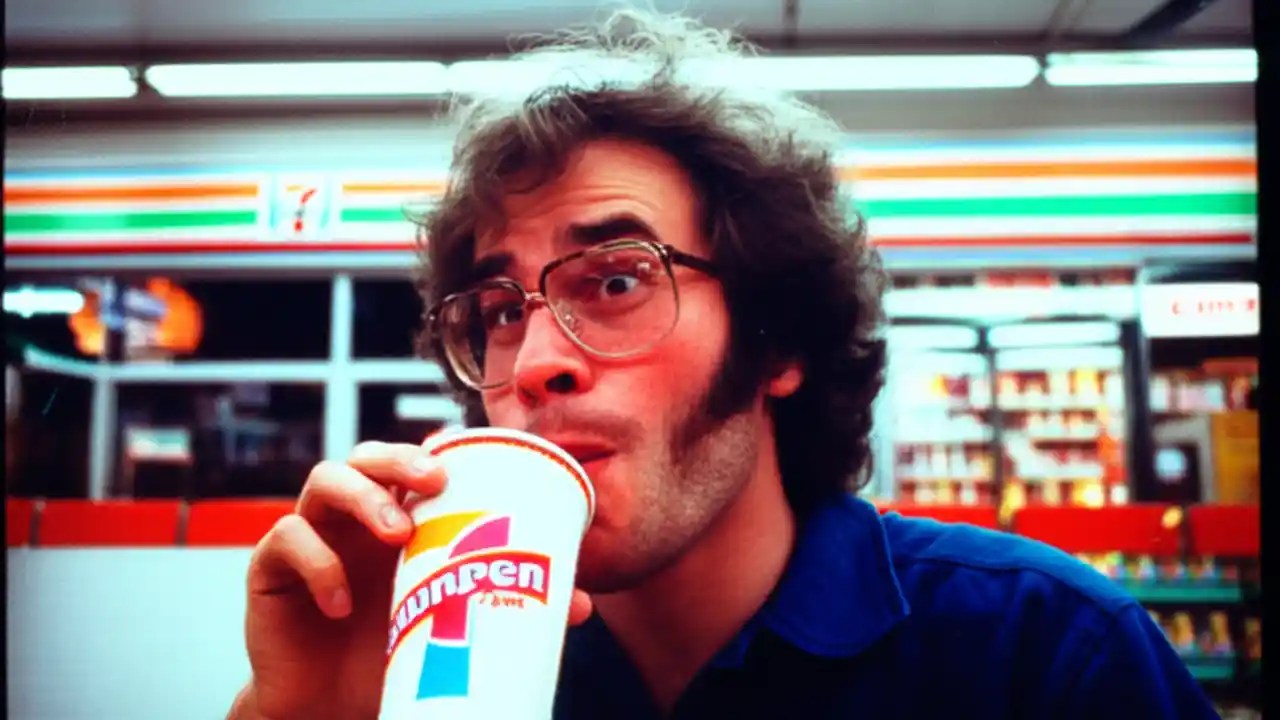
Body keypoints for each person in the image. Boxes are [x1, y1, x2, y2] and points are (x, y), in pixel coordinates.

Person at [228, 9, 1219, 720]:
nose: (530, 363)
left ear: (775, 341)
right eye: (495, 310)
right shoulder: (447, 671)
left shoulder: (1040, 656)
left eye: (613, 282)